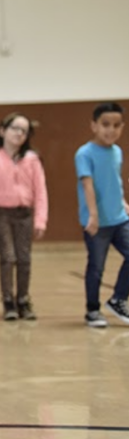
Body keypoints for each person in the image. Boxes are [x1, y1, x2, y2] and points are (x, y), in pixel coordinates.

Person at [0, 112, 48, 321]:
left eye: (24, 130)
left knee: (24, 258)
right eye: (15, 128)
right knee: (8, 257)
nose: (19, 133)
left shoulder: (32, 160)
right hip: (1, 214)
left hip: (24, 214)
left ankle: (23, 299)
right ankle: (7, 300)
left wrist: (40, 219)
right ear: (2, 131)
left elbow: (41, 191)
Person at [76, 102, 129, 327]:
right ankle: (92, 310)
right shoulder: (84, 153)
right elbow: (88, 185)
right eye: (105, 124)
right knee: (96, 267)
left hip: (120, 219)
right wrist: (93, 215)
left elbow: (114, 181)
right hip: (97, 222)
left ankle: (118, 299)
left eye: (116, 125)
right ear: (94, 126)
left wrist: (123, 202)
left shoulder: (117, 152)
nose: (111, 130)